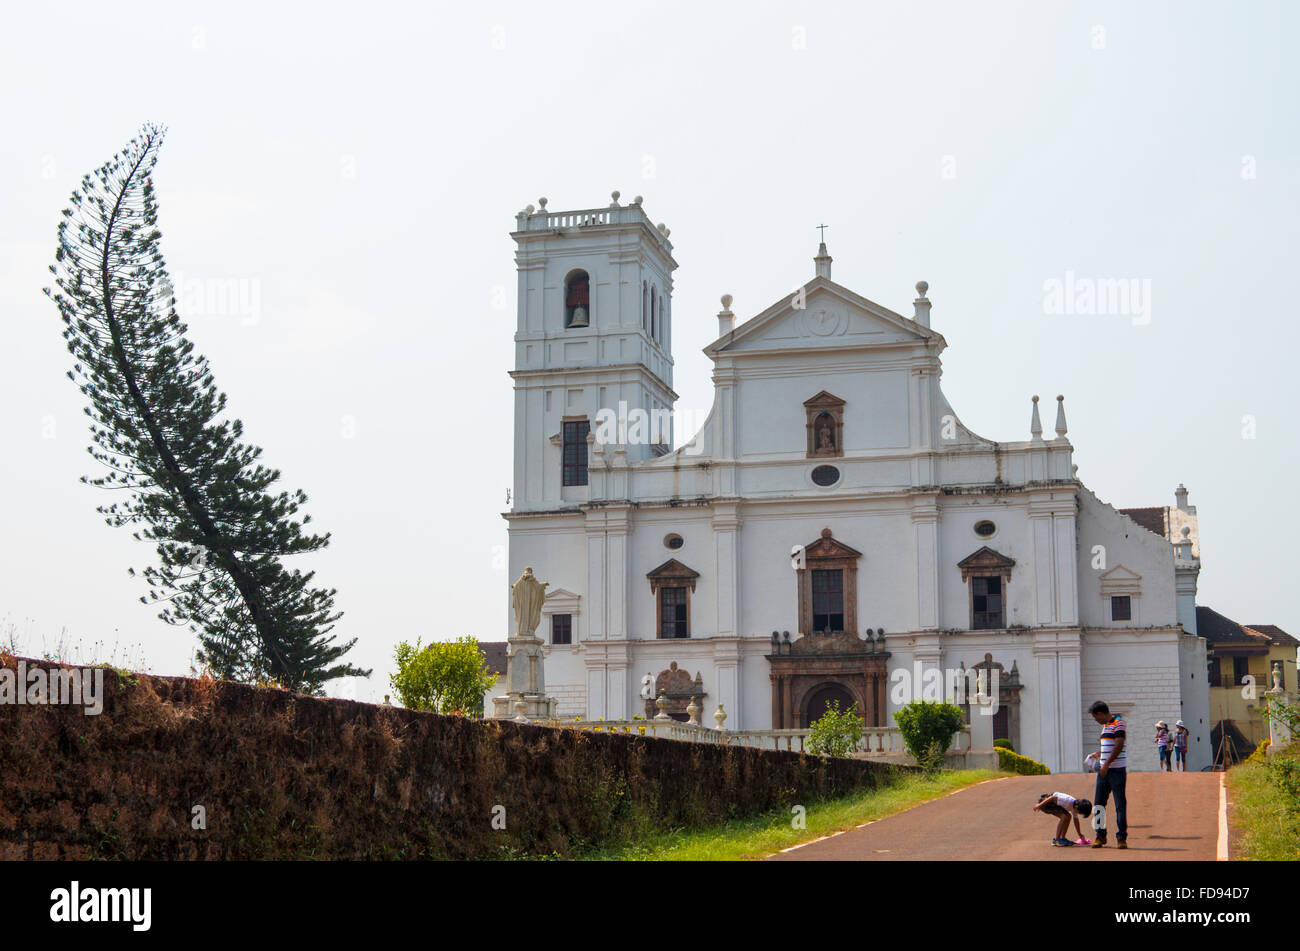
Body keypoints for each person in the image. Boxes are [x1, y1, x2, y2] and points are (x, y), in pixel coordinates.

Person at [1089, 700, 1128, 849]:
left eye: (1095, 717)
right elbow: (1109, 746)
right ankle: (1100, 835)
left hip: (1116, 770)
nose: (1096, 720)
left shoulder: (1119, 723)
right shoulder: (1105, 726)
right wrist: (1099, 755)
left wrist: (1106, 764)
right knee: (1098, 804)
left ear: (1100, 713)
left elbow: (1118, 745)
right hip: (1104, 769)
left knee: (1120, 805)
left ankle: (1121, 837)